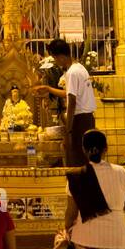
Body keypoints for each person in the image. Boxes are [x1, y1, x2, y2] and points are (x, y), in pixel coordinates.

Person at [52, 129, 125, 249]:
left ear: (83, 149)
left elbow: (71, 214)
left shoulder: (77, 175)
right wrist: (114, 209)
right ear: (106, 149)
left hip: (85, 248)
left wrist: (67, 228)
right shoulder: (122, 172)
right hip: (119, 248)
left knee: (62, 233)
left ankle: (64, 242)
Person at [33, 38, 97, 166]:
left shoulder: (72, 73)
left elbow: (72, 101)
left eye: (55, 58)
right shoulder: (80, 68)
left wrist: (68, 130)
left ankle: (77, 185)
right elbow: (70, 94)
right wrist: (49, 89)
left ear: (61, 57)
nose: (56, 62)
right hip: (87, 118)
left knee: (77, 160)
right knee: (85, 160)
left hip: (79, 120)